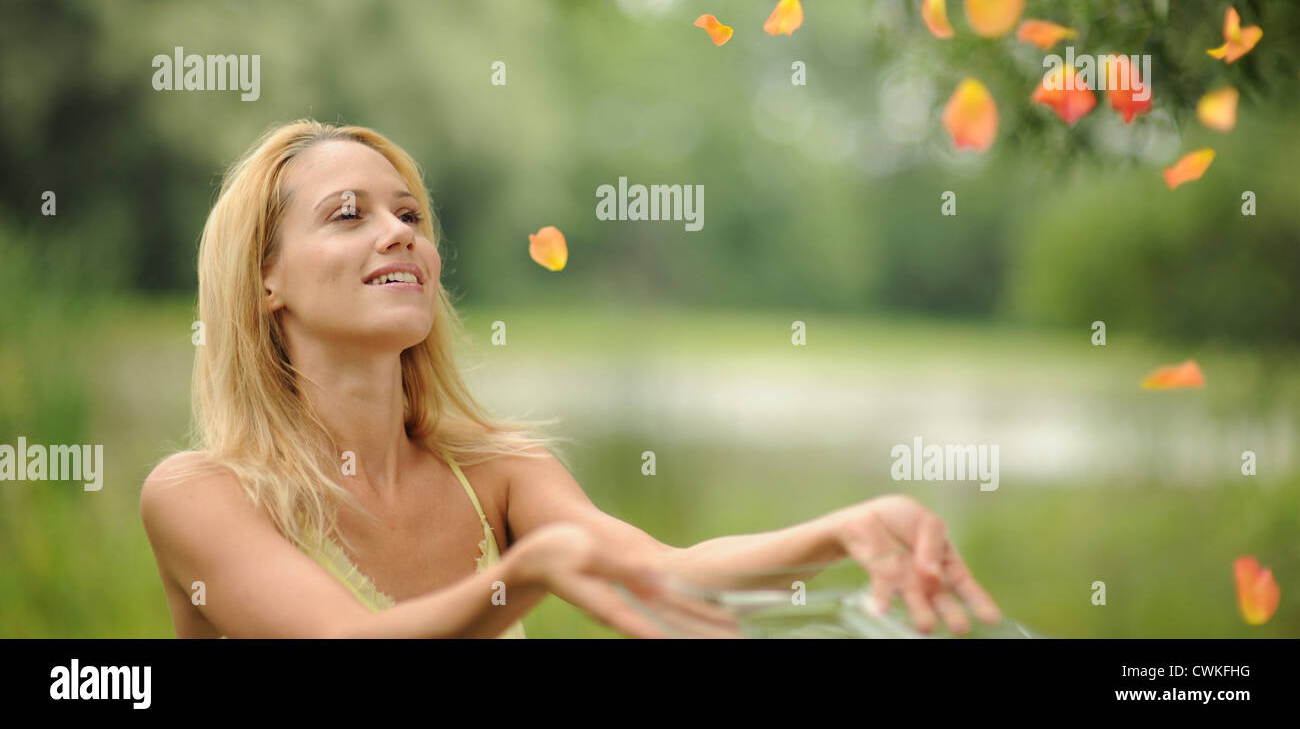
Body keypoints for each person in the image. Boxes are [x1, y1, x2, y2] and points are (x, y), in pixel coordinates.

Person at [140, 119, 1003, 638]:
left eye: (409, 214)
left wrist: (847, 526)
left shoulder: (499, 476)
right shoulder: (199, 493)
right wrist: (528, 571)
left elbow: (670, 570)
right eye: (347, 215)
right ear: (264, 278)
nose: (398, 232)